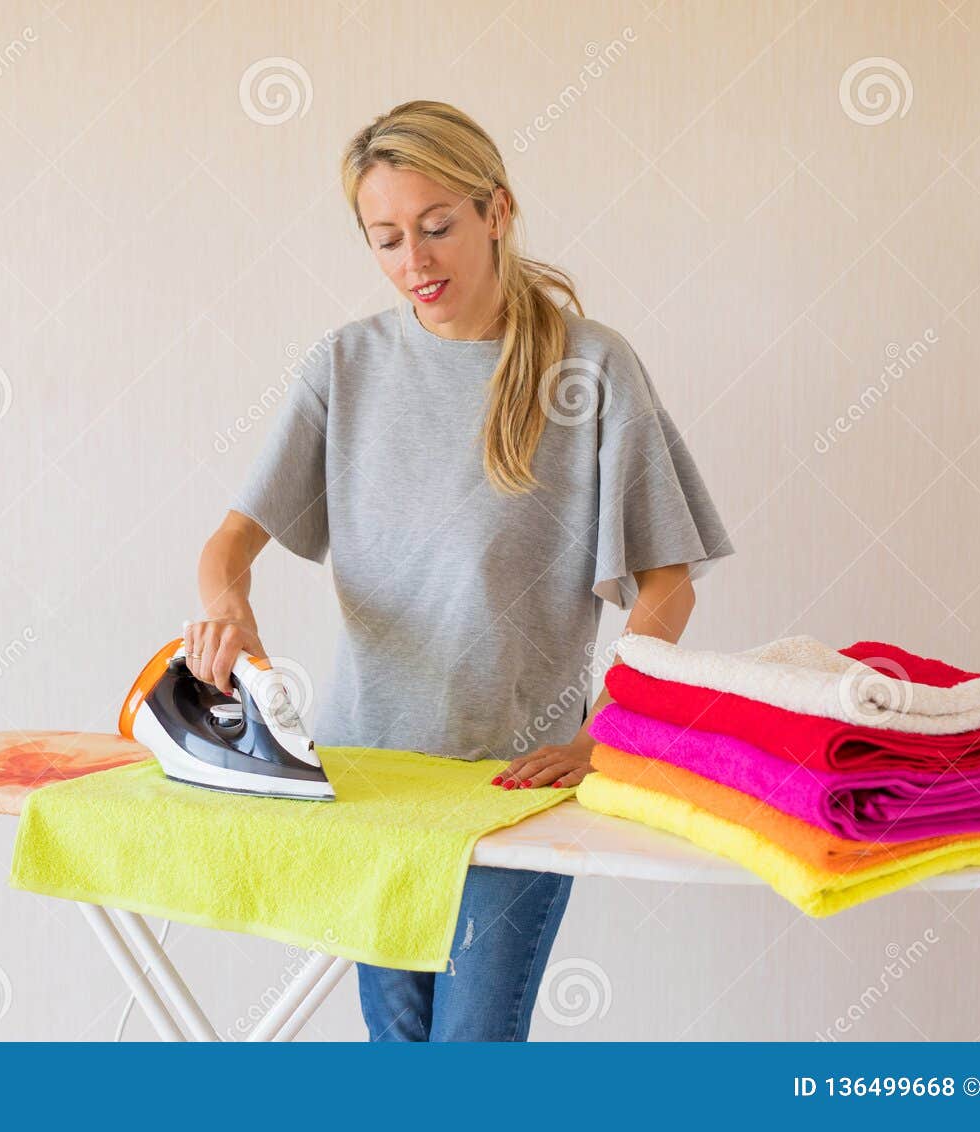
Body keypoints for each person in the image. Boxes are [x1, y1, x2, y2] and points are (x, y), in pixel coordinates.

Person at [185, 100, 734, 1041]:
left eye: (437, 228)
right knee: (400, 1061)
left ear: (497, 211)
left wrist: (603, 735)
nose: (415, 264)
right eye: (387, 239)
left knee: (469, 1060)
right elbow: (229, 542)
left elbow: (666, 584)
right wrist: (226, 603)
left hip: (510, 788)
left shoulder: (590, 370)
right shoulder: (345, 364)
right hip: (369, 779)